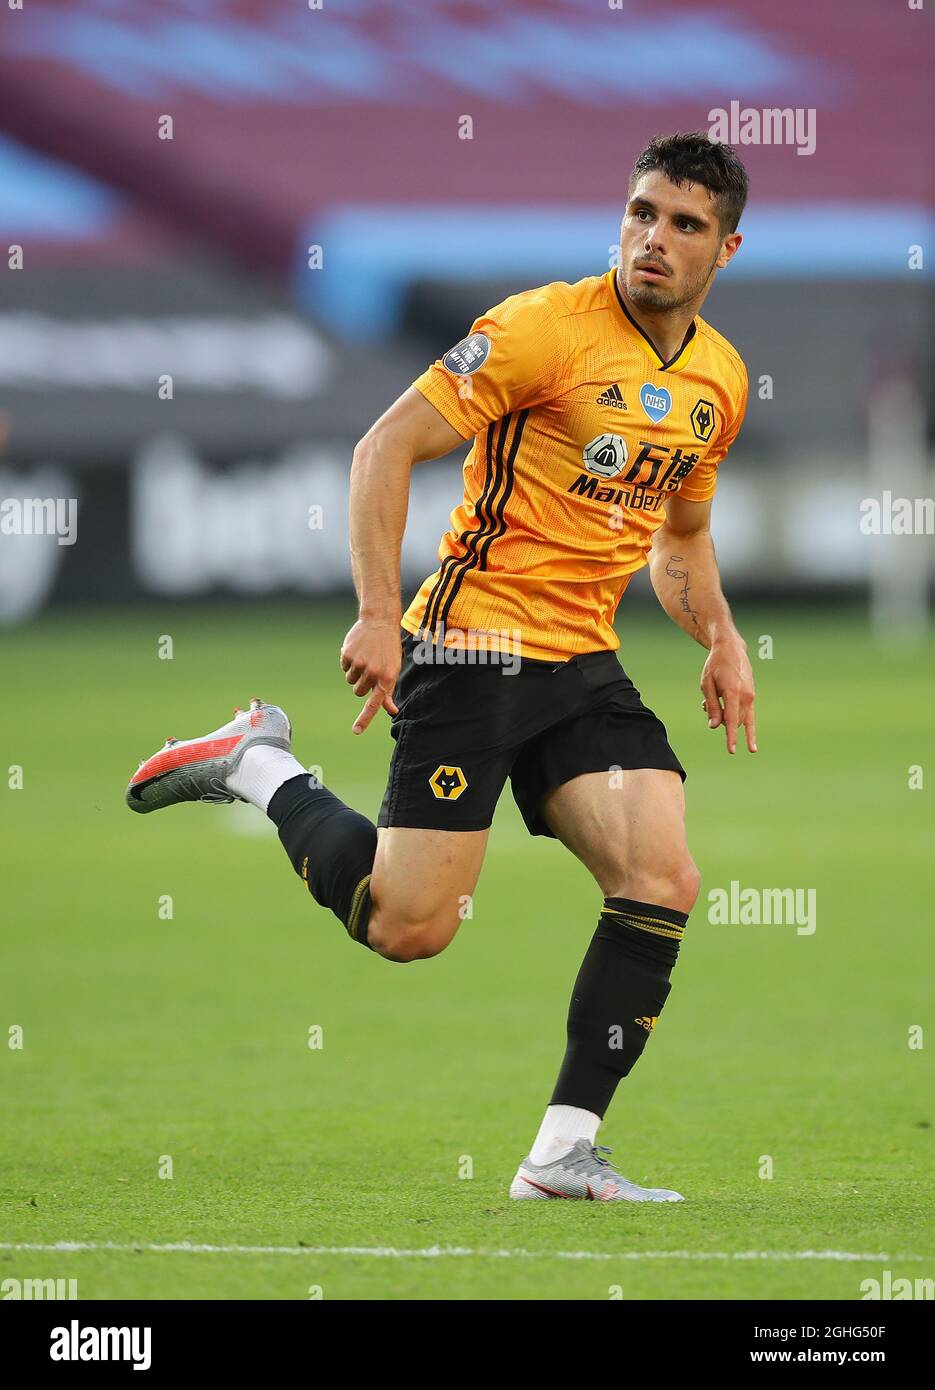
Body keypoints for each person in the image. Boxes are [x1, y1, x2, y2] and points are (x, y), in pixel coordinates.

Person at [126, 132, 757, 1203]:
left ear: (724, 248)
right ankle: (257, 765)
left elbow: (679, 542)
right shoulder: (540, 329)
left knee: (661, 876)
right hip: (469, 646)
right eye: (641, 212)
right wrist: (378, 612)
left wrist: (723, 637)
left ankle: (561, 1152)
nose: (653, 238)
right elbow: (382, 447)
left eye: (683, 224)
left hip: (581, 661)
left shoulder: (717, 380)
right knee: (407, 927)